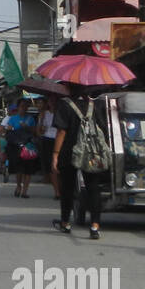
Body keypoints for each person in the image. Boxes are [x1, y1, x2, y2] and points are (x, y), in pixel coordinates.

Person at [51, 90, 109, 239]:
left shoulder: (64, 104)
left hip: (69, 152)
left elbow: (61, 132)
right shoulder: (96, 104)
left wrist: (55, 154)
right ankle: (95, 226)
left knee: (67, 188)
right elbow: (103, 128)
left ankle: (65, 223)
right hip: (91, 153)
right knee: (93, 188)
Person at [3, 101, 39, 197]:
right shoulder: (13, 119)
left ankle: (25, 191)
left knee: (28, 170)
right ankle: (18, 185)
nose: (24, 108)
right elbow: (8, 129)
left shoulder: (30, 119)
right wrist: (12, 128)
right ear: (18, 107)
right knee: (19, 169)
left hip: (28, 146)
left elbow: (35, 131)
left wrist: (27, 127)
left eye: (25, 106)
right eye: (22, 106)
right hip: (17, 147)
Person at [38, 96, 60, 200]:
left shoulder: (61, 113)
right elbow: (39, 131)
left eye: (54, 101)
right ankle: (57, 192)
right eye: (50, 101)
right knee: (51, 167)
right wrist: (41, 122)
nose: (52, 103)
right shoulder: (44, 114)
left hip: (59, 140)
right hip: (48, 140)